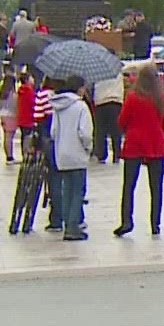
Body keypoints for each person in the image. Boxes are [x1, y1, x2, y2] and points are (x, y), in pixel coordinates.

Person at [115, 63, 164, 238]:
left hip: (134, 143)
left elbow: (122, 121)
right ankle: (155, 224)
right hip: (155, 142)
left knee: (129, 185)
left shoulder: (133, 97)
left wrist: (129, 130)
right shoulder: (161, 98)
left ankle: (127, 221)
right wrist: (160, 129)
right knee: (156, 187)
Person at [49, 76, 93, 241]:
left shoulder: (58, 107)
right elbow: (85, 133)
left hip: (61, 154)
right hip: (77, 154)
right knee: (77, 192)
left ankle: (67, 222)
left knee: (66, 191)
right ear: (80, 88)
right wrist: (88, 148)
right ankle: (73, 226)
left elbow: (53, 131)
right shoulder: (81, 107)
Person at [91, 70, 125, 163]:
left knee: (101, 130)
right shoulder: (117, 71)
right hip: (115, 101)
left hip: (100, 102)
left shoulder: (96, 72)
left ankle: (101, 154)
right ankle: (117, 154)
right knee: (116, 130)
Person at [0, 69, 21, 163]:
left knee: (6, 136)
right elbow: (15, 106)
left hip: (3, 115)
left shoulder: (2, 94)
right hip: (11, 116)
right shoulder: (13, 95)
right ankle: (10, 156)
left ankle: (8, 156)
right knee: (10, 137)